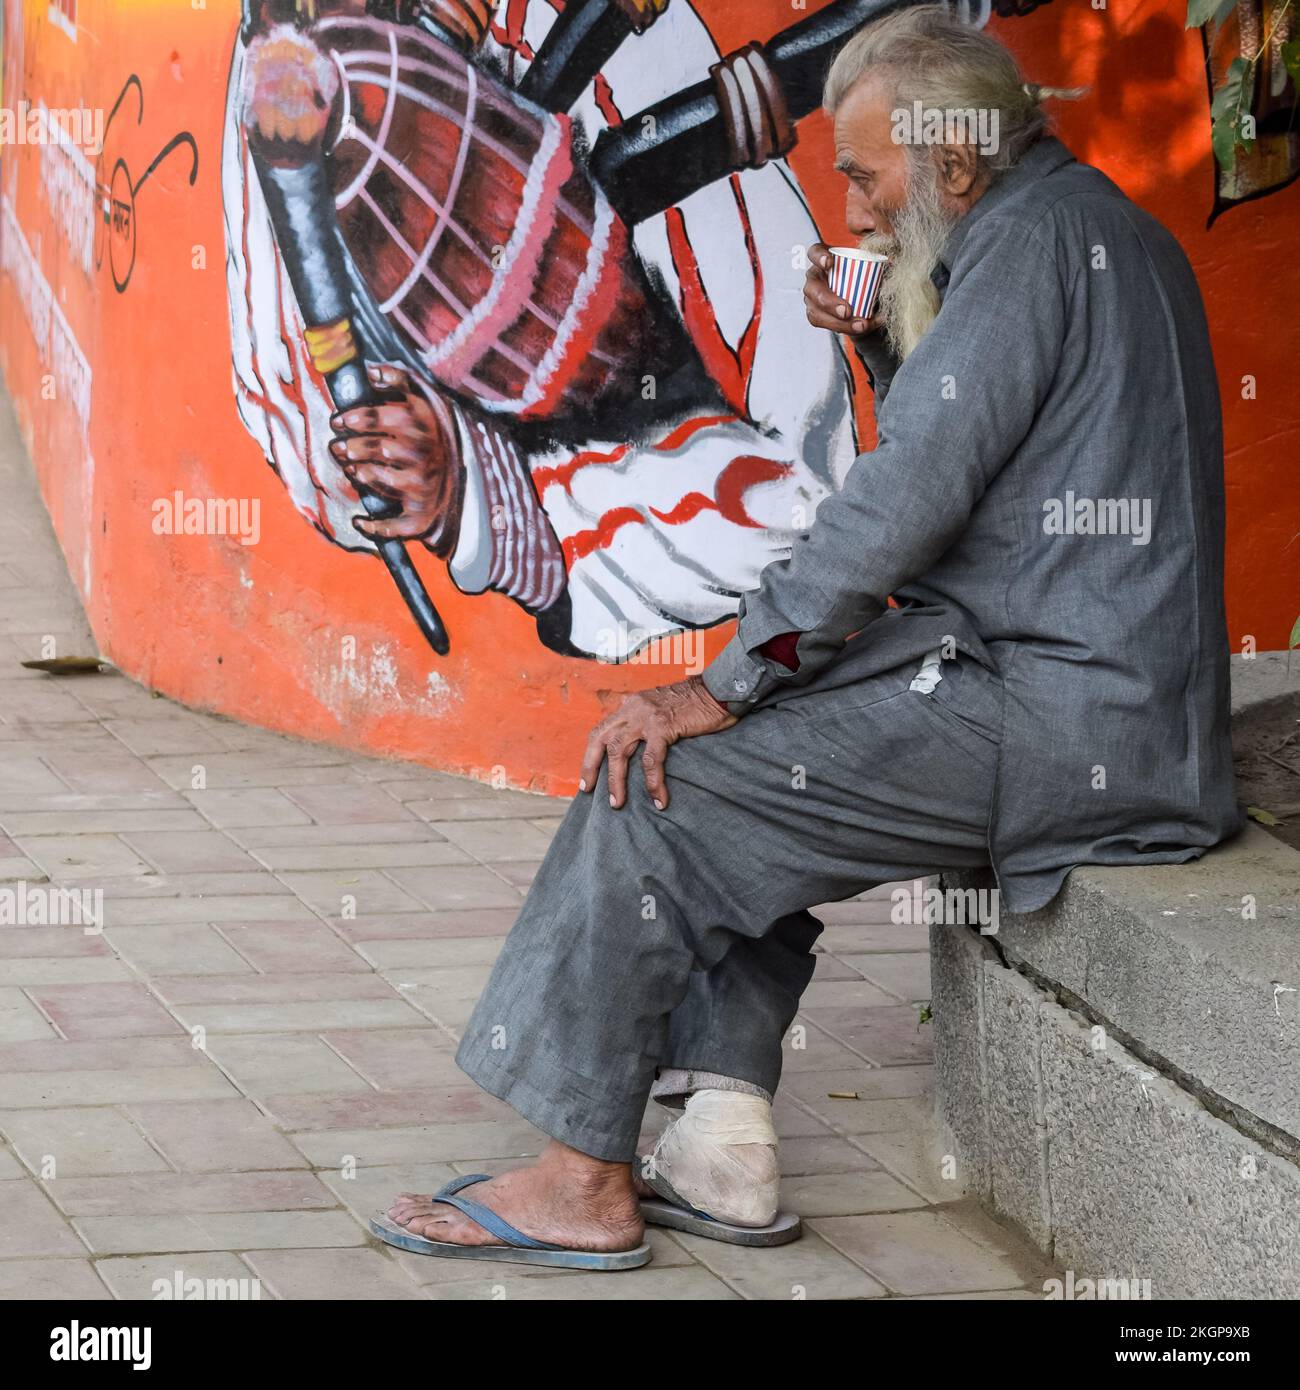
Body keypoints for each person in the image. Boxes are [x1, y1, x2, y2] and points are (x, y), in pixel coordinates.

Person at [376, 4, 1242, 1267]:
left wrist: (717, 687)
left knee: (659, 786)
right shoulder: (1087, 229)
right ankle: (720, 1147)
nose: (847, 204)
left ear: (950, 163)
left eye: (862, 172)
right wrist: (887, 349)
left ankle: (579, 1180)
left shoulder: (1029, 251)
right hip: (1084, 693)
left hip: (1061, 718)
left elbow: (900, 508)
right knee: (760, 743)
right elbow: (994, 469)